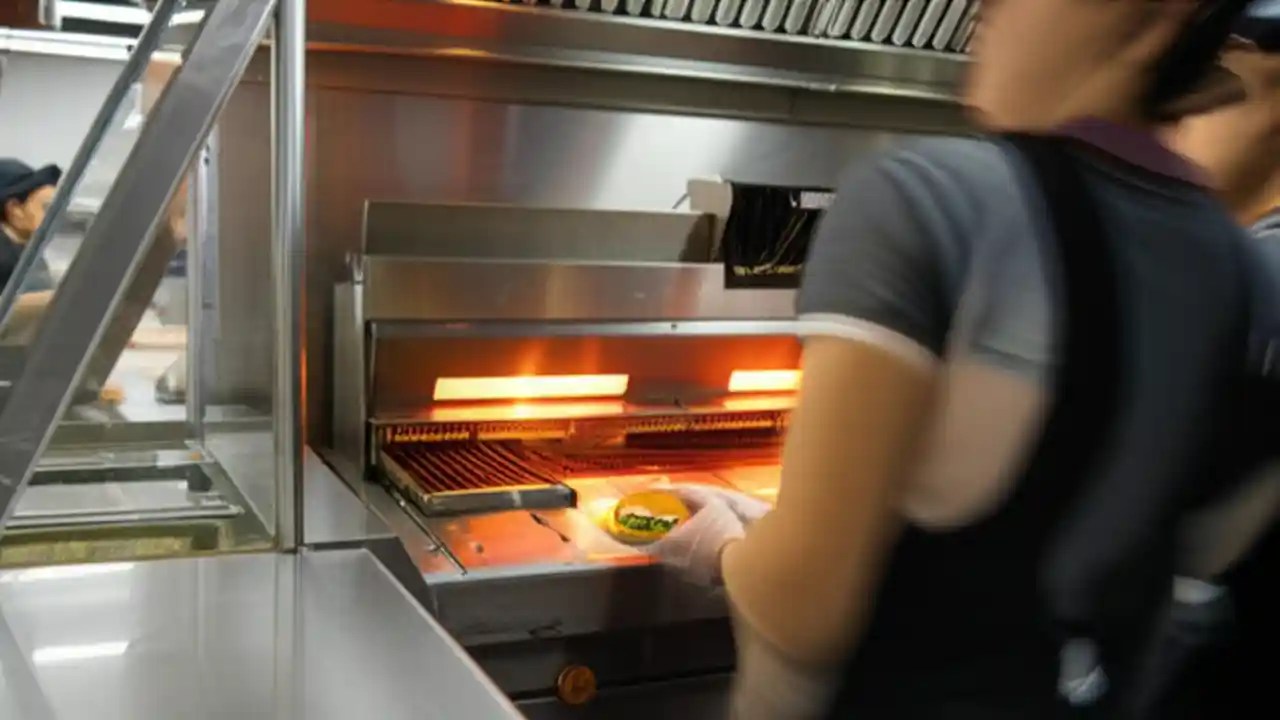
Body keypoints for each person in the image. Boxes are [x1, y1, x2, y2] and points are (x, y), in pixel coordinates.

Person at [647, 1, 1268, 717]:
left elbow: (805, 607)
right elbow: (1182, 555)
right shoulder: (1242, 273)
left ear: (1156, 18)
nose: (986, 10)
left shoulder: (930, 202)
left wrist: (723, 547)